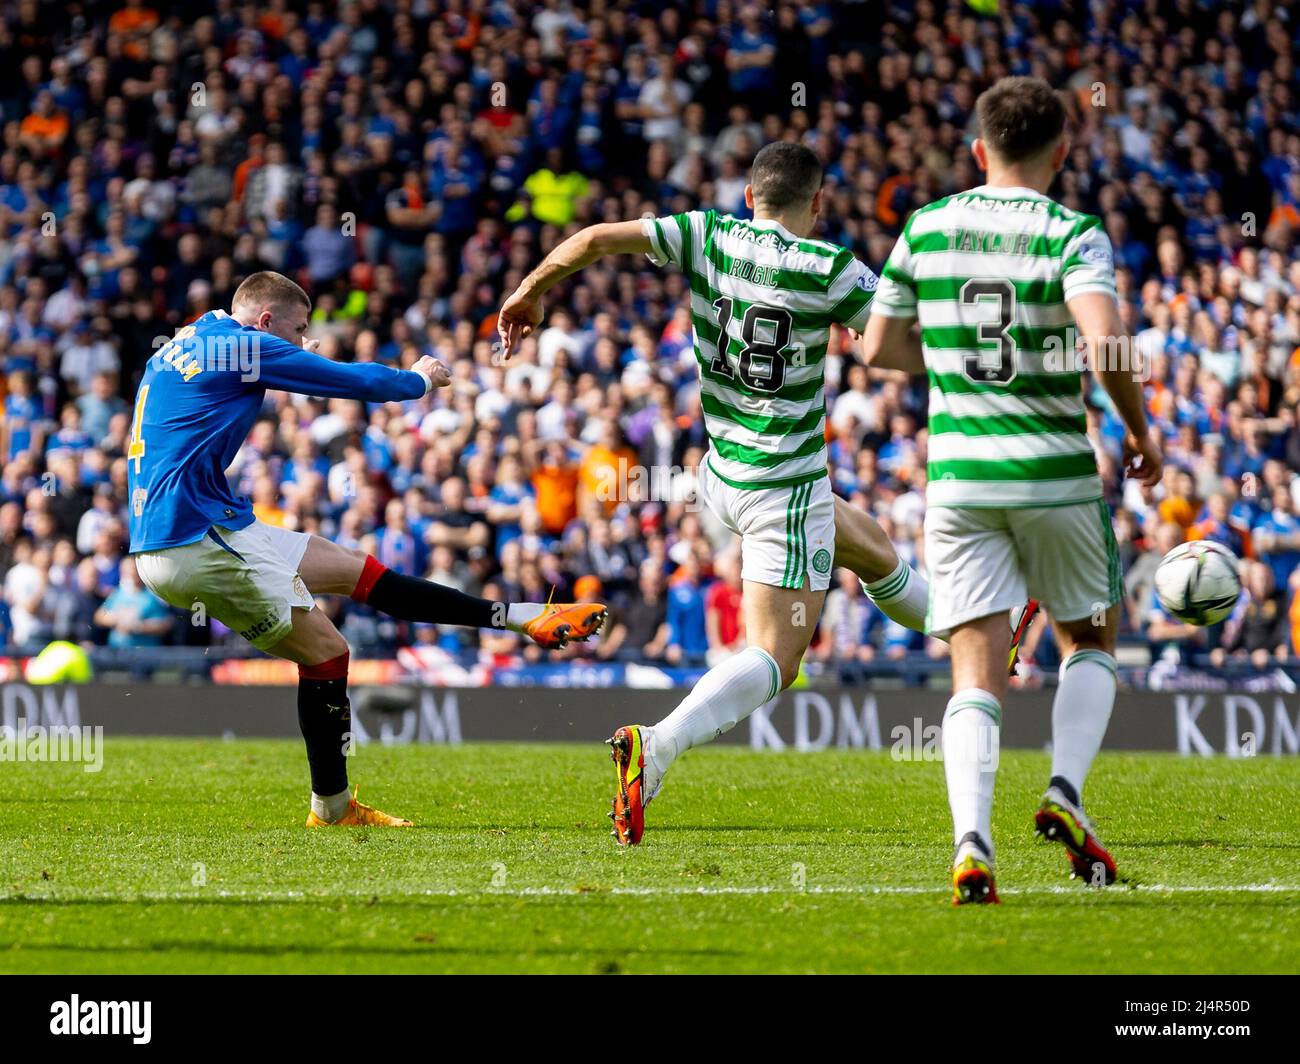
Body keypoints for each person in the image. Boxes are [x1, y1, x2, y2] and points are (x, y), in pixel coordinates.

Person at [499, 141, 1034, 846]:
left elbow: (597, 238)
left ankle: (980, 629)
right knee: (778, 659)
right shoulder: (829, 267)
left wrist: (529, 289)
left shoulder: (704, 233)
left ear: (749, 196)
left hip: (721, 472)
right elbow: (904, 343)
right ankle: (655, 746)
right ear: (818, 203)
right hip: (784, 486)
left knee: (870, 550)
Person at [126, 272, 606, 828]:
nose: (304, 339)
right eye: (298, 329)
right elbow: (342, 380)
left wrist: (284, 351)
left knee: (360, 572)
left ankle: (526, 617)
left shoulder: (192, 339)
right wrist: (418, 381)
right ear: (264, 322)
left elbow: (220, 386)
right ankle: (331, 810)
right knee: (329, 653)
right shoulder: (246, 347)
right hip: (193, 539)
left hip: (202, 526)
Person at [862, 76, 1162, 903]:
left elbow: (878, 349)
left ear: (976, 149)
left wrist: (955, 360)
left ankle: (972, 843)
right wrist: (1140, 433)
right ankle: (1064, 790)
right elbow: (1105, 346)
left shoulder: (927, 224)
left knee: (974, 674)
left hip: (959, 481)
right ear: (1062, 152)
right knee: (1090, 641)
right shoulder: (1075, 232)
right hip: (1055, 473)